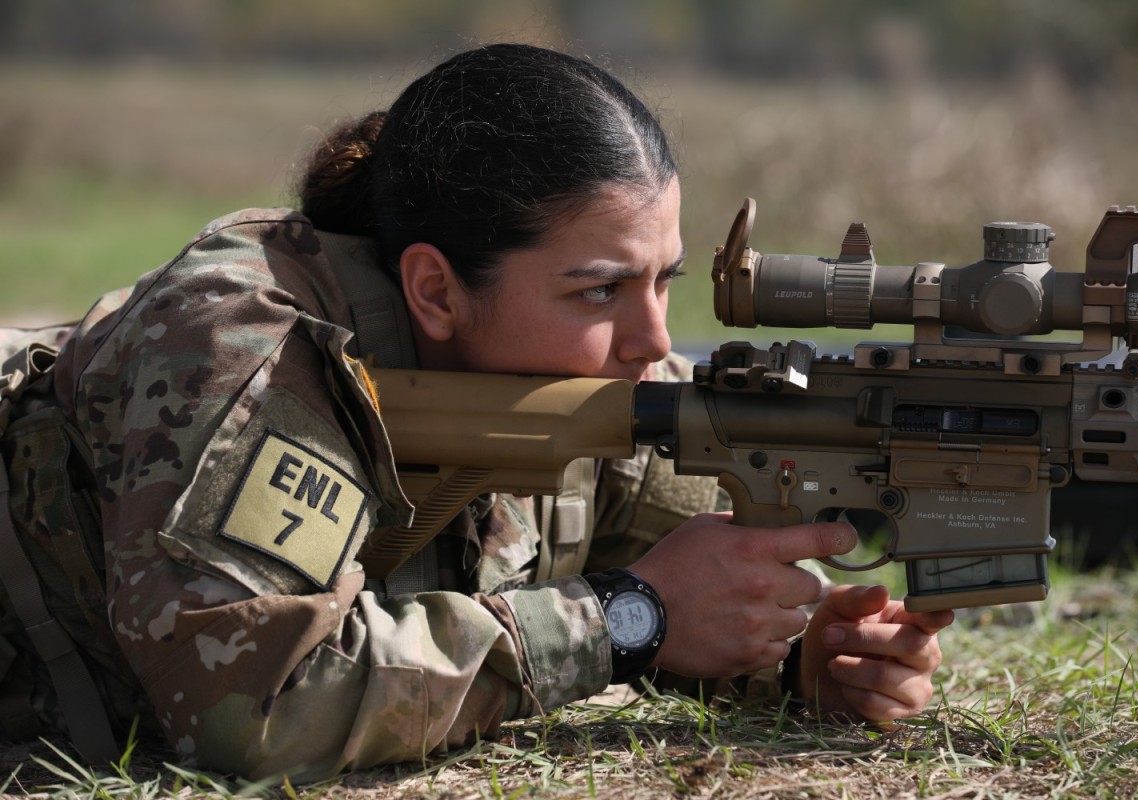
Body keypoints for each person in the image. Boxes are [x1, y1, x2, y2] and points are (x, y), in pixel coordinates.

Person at [0, 43, 951, 781]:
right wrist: (628, 618)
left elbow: (687, 566)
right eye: (599, 290)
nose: (651, 341)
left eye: (662, 280)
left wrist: (797, 658)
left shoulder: (567, 385)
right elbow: (258, 708)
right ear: (436, 291)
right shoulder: (246, 348)